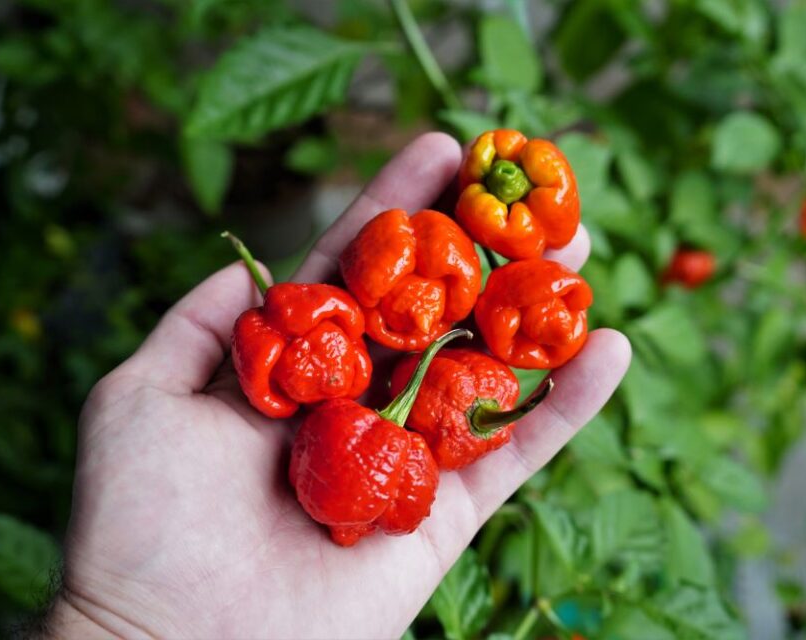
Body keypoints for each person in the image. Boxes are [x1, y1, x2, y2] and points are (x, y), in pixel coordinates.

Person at [39, 133, 631, 639]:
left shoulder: (433, 382)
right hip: (384, 348)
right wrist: (118, 618)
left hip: (424, 361)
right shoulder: (354, 375)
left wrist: (117, 622)